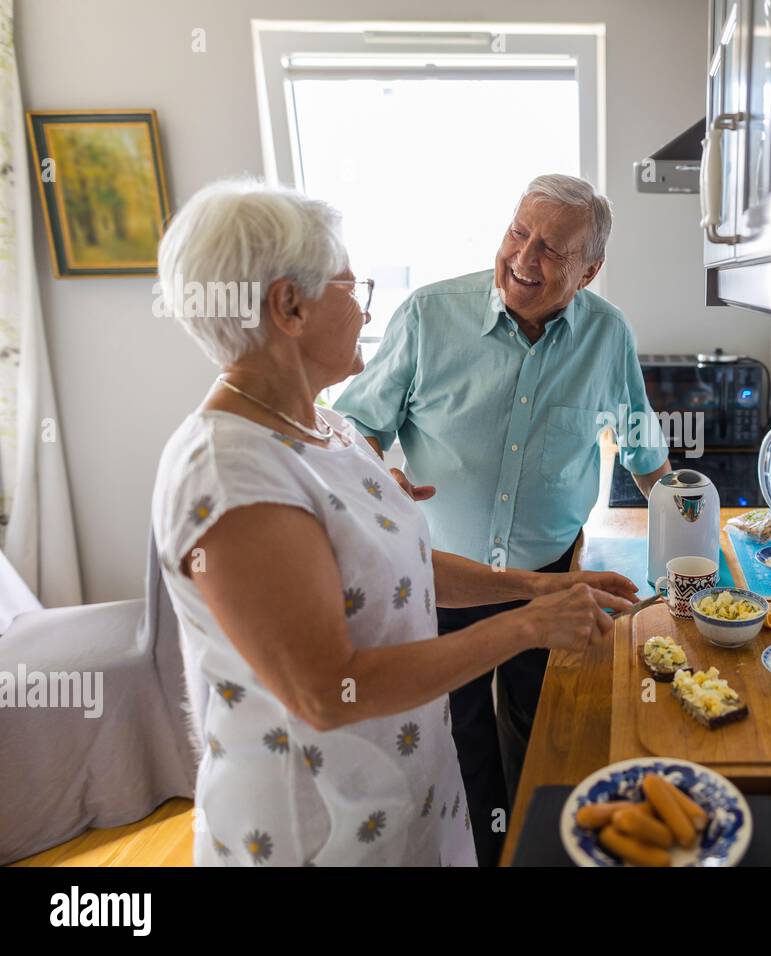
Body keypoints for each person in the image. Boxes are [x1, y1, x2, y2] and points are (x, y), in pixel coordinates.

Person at [150, 178, 636, 866]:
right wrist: (527, 626)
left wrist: (538, 590)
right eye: (352, 286)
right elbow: (326, 691)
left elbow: (406, 571)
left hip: (404, 808)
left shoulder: (325, 428)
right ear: (290, 306)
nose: (367, 305)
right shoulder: (230, 470)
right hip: (317, 832)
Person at [334, 174, 671, 864]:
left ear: (590, 271)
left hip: (544, 575)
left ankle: (533, 847)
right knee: (456, 734)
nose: (525, 258)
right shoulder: (430, 316)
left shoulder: (606, 336)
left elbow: (644, 450)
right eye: (519, 233)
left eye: (552, 249)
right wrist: (377, 476)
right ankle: (483, 852)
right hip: (439, 575)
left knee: (542, 729)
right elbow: (355, 430)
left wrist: (689, 525)